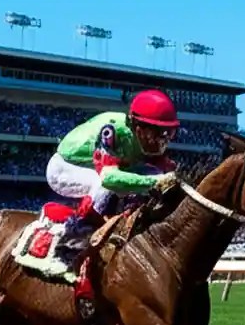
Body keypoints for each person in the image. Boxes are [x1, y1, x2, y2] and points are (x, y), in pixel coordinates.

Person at [29, 89, 182, 276]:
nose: (163, 140)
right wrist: (155, 181)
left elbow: (158, 173)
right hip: (66, 166)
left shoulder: (146, 143)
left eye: (169, 133)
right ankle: (69, 241)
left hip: (101, 166)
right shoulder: (112, 131)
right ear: (139, 129)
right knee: (103, 186)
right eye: (158, 133)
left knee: (154, 173)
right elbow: (109, 178)